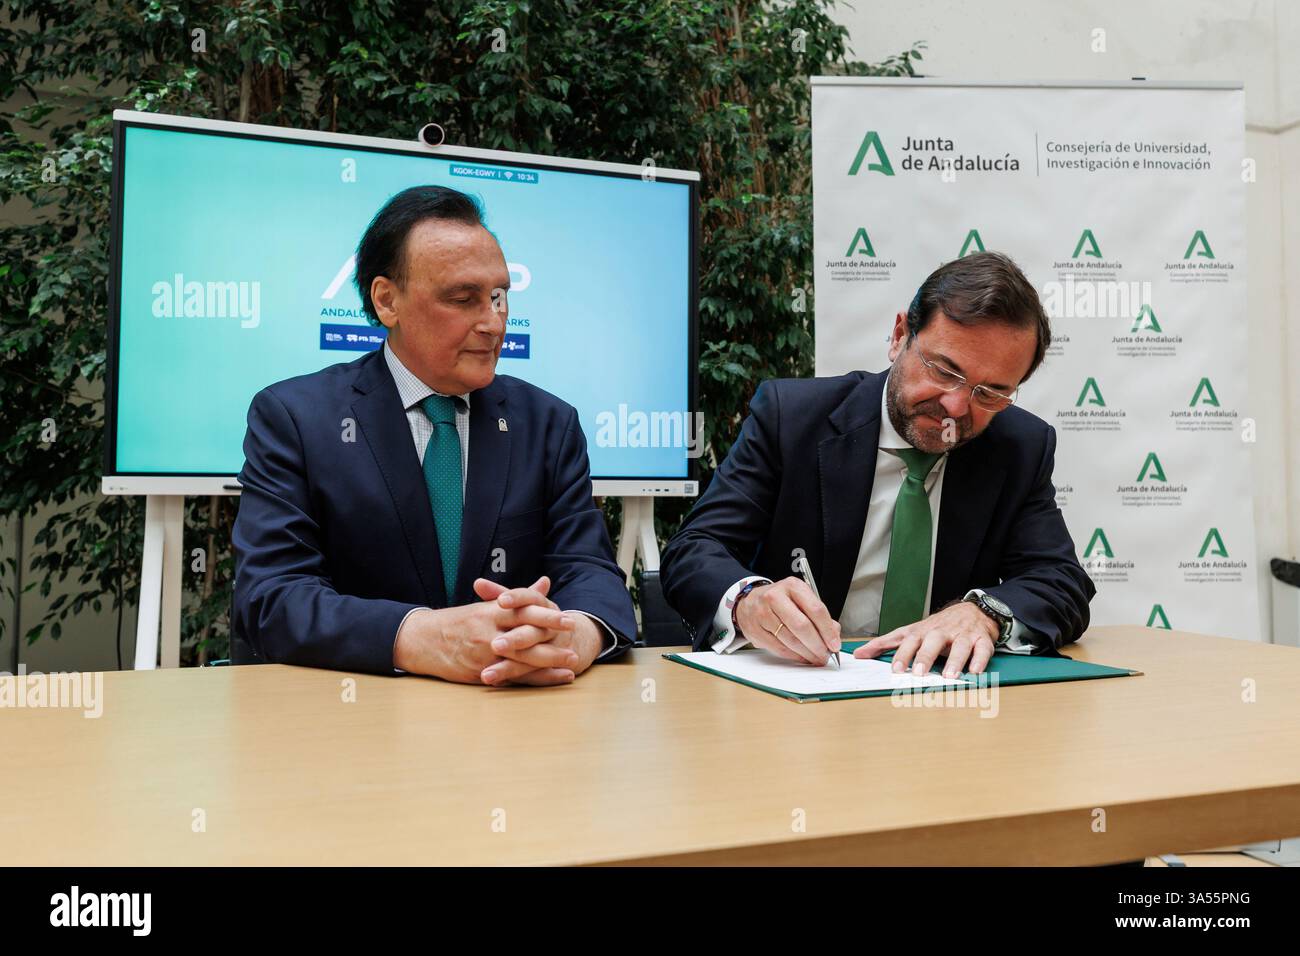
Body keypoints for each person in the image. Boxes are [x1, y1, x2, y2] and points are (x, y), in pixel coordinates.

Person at [232, 185, 635, 685]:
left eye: (498, 296)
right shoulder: (295, 418)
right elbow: (271, 597)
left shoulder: (548, 423)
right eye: (463, 299)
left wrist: (572, 634)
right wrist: (423, 637)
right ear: (387, 301)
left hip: (518, 724)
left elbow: (590, 573)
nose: (493, 323)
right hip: (352, 725)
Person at [661, 251, 1094, 678]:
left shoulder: (1020, 446)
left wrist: (984, 613)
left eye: (990, 393)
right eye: (944, 370)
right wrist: (749, 601)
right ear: (900, 336)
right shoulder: (791, 418)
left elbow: (1060, 580)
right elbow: (694, 549)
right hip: (799, 693)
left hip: (939, 698)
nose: (955, 406)